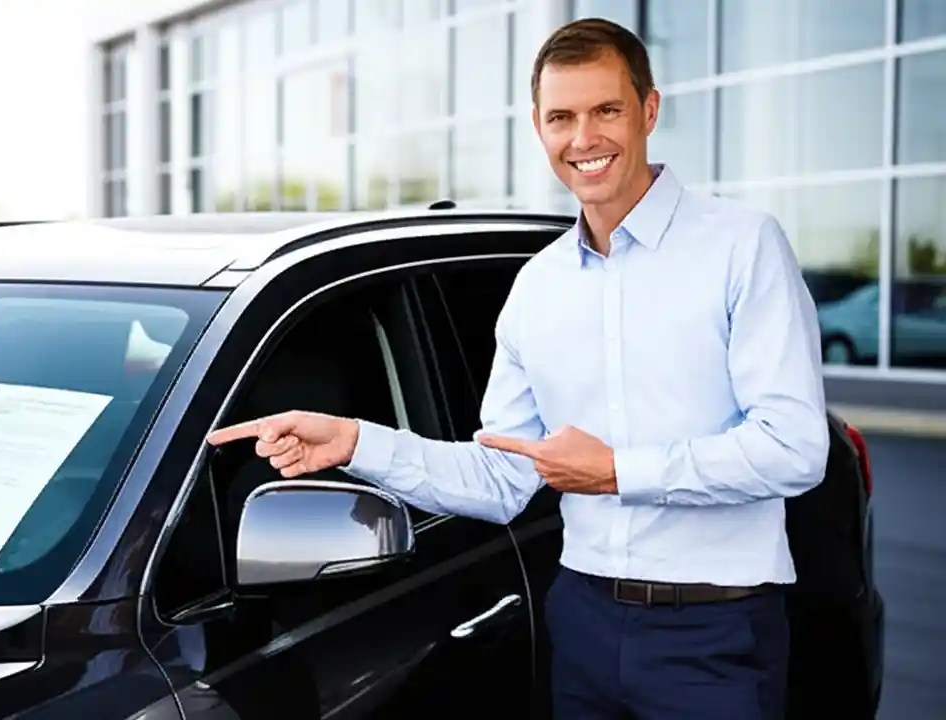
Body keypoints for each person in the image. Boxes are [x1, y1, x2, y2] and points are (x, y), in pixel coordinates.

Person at [207, 16, 828, 720]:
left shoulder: (743, 248)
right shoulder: (537, 287)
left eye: (606, 111)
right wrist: (356, 441)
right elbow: (502, 478)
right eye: (562, 116)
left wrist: (619, 470)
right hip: (584, 624)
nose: (583, 138)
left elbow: (796, 448)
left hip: (713, 632)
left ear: (649, 110)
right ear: (538, 126)